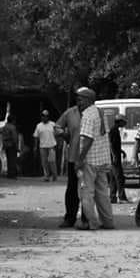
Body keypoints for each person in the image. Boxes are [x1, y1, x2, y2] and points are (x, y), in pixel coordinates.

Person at [74, 89, 114, 230]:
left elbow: (87, 139)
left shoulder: (87, 115)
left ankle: (92, 223)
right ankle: (108, 222)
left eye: (80, 100)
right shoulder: (100, 113)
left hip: (90, 161)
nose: (78, 103)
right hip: (102, 159)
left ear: (88, 100)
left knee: (86, 193)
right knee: (102, 193)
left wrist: (79, 160)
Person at [54, 96, 86, 227]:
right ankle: (70, 218)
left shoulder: (95, 113)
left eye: (83, 99)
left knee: (87, 189)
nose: (80, 102)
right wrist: (64, 134)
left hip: (90, 158)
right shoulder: (70, 113)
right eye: (78, 99)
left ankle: (86, 218)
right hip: (73, 156)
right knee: (72, 188)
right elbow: (57, 127)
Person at [108, 115, 129, 204]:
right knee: (119, 178)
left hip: (115, 156)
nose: (125, 124)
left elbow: (115, 144)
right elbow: (111, 144)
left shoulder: (115, 130)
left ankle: (112, 197)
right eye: (124, 122)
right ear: (119, 121)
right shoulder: (113, 130)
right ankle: (122, 197)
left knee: (113, 178)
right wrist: (114, 156)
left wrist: (121, 151)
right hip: (114, 158)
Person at [33, 111, 58, 181]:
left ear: (48, 117)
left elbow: (57, 134)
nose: (44, 117)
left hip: (51, 146)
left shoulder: (53, 124)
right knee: (44, 162)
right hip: (42, 146)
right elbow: (36, 136)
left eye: (46, 116)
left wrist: (58, 143)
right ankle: (46, 176)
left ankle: (54, 175)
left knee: (52, 161)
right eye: (43, 116)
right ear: (41, 117)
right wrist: (35, 146)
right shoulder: (39, 126)